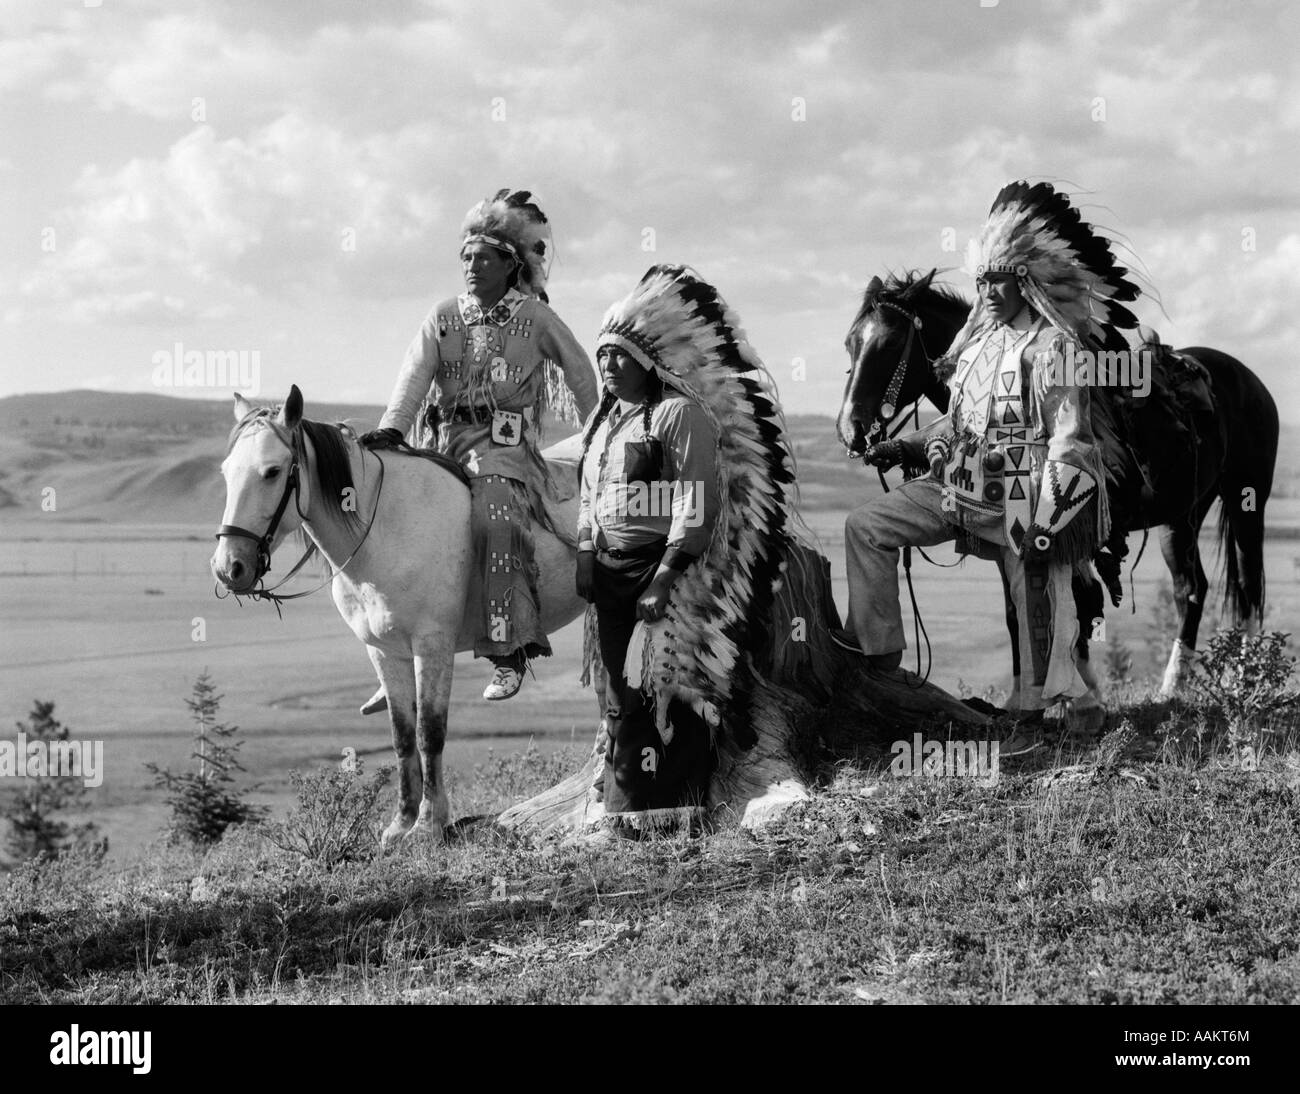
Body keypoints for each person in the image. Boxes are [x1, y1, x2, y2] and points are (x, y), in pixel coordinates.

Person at [842, 181, 1140, 729]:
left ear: (1024, 281)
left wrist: (1050, 514)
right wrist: (906, 444)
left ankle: (1046, 706)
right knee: (866, 526)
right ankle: (876, 658)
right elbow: (957, 422)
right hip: (959, 485)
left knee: (1036, 587)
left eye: (998, 281)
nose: (987, 291)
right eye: (981, 281)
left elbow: (1070, 439)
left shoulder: (1056, 349)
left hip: (1026, 495)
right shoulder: (975, 348)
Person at [576, 264, 793, 826]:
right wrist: (584, 554)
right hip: (609, 569)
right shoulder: (609, 424)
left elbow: (695, 503)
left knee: (667, 684)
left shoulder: (681, 414)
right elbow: (589, 494)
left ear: (648, 360)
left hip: (661, 571)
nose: (608, 367)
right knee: (621, 695)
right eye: (602, 357)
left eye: (619, 356)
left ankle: (672, 811)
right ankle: (625, 811)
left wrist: (666, 577)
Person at [362, 189, 598, 703]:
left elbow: (581, 375)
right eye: (466, 257)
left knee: (495, 516)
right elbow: (413, 380)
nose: (471, 266)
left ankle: (508, 648)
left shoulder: (535, 319)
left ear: (509, 265)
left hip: (505, 449)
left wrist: (598, 434)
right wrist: (392, 431)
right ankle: (401, 655)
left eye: (483, 257)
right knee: (401, 521)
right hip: (442, 443)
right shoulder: (443, 316)